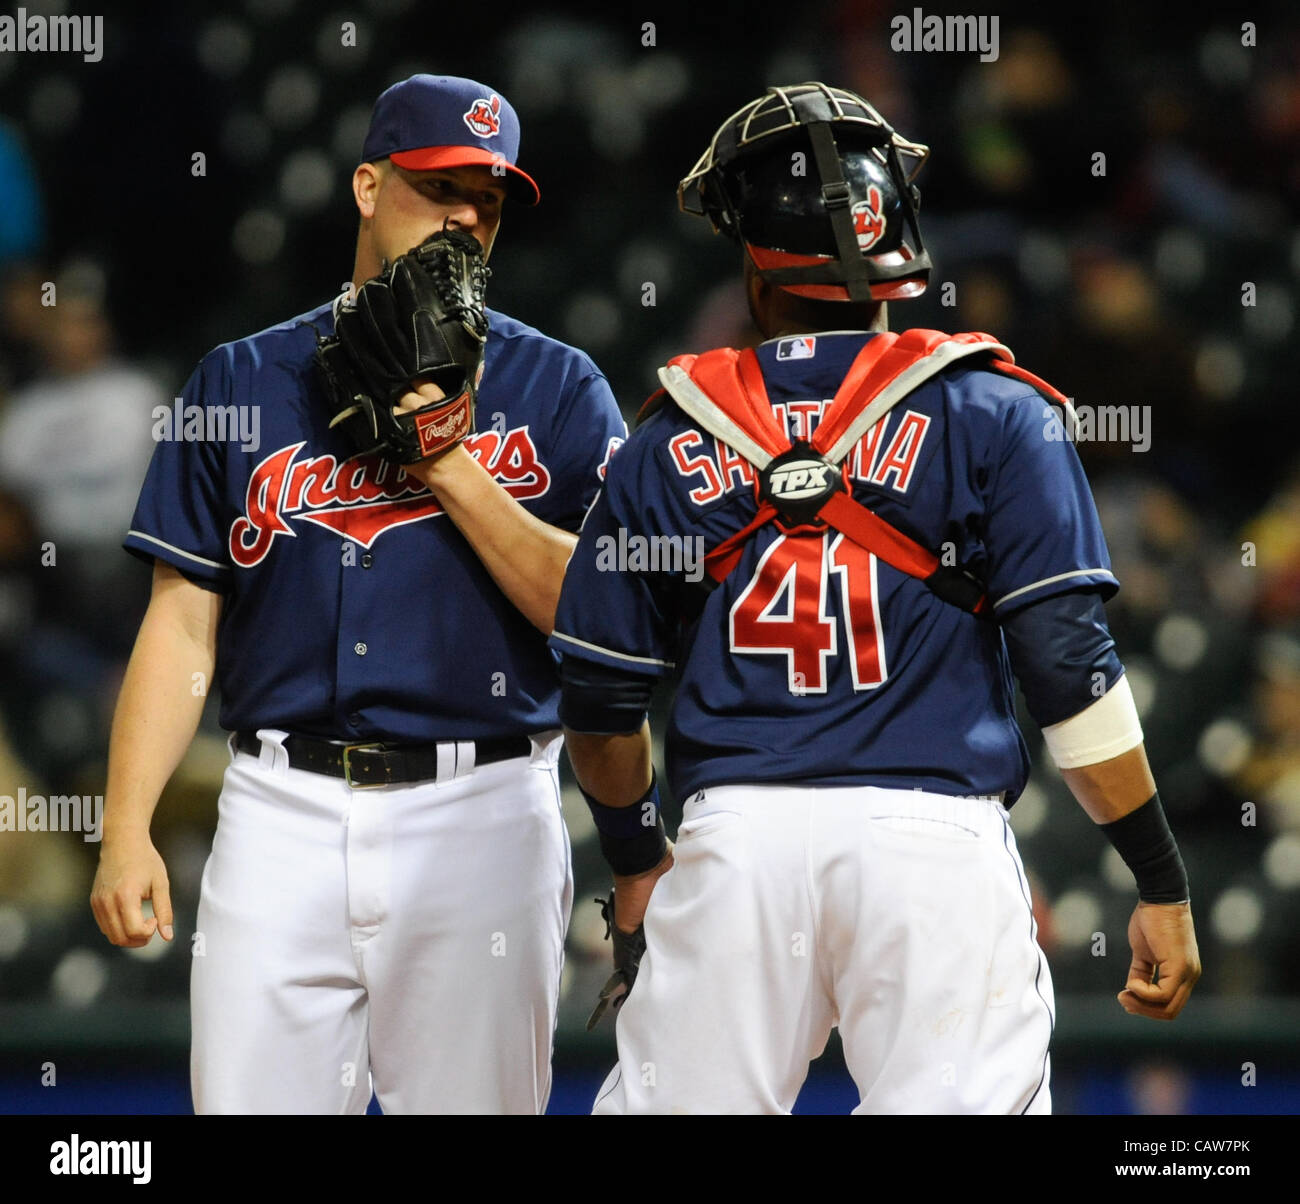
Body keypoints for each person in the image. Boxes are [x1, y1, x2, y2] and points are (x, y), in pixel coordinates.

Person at [551, 82, 1201, 1115]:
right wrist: (1157, 879)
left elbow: (597, 696)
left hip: (735, 846)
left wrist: (636, 859)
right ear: (902, 250)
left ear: (752, 265)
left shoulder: (668, 437)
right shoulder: (995, 409)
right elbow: (1070, 671)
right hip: (931, 842)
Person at [90, 74, 626, 1114]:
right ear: (369, 185)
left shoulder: (557, 387)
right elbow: (180, 619)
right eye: (441, 187)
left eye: (490, 197)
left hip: (485, 805)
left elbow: (592, 615)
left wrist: (446, 461)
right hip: (278, 806)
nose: (468, 217)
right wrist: (126, 825)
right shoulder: (242, 380)